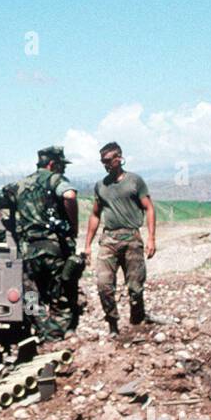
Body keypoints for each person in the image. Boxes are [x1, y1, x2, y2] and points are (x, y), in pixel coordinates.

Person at [83, 141, 156, 335]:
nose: (105, 164)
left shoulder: (135, 181)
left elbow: (149, 208)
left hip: (132, 237)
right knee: (103, 284)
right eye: (102, 161)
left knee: (135, 286)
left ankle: (137, 321)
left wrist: (151, 239)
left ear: (119, 158)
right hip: (109, 239)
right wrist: (87, 245)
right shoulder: (101, 186)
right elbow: (95, 215)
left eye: (108, 160)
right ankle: (113, 325)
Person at [7, 146, 79, 341]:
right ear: (52, 164)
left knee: (31, 295)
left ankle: (40, 331)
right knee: (60, 295)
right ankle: (54, 337)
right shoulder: (54, 179)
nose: (63, 170)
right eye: (61, 166)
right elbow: (70, 195)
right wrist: (73, 227)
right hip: (53, 249)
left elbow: (2, 199)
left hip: (29, 251)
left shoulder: (21, 184)